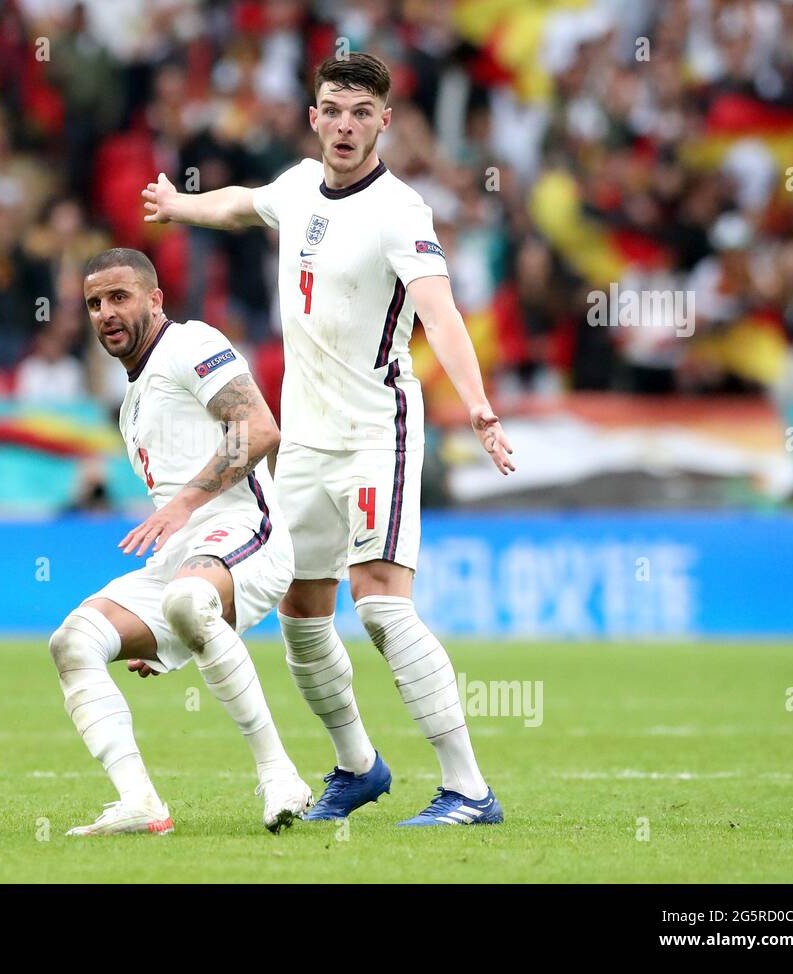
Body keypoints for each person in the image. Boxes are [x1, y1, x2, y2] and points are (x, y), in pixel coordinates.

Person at [141, 53, 514, 827]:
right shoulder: (298, 187)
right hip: (303, 443)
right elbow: (245, 204)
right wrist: (179, 205)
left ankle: (469, 789)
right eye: (332, 110)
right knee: (303, 614)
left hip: (379, 431)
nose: (344, 125)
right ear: (314, 118)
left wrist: (477, 404)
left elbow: (440, 314)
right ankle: (358, 767)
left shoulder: (402, 211)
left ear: (384, 122)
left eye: (360, 112)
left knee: (380, 608)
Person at [48, 247, 311, 836]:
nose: (105, 313)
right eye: (94, 303)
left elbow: (260, 428)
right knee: (73, 642)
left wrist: (186, 503)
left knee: (188, 602)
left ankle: (279, 776)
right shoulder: (130, 405)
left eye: (119, 297)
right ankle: (140, 803)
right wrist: (168, 633)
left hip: (248, 533)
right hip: (180, 562)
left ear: (154, 298)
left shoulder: (189, 344)